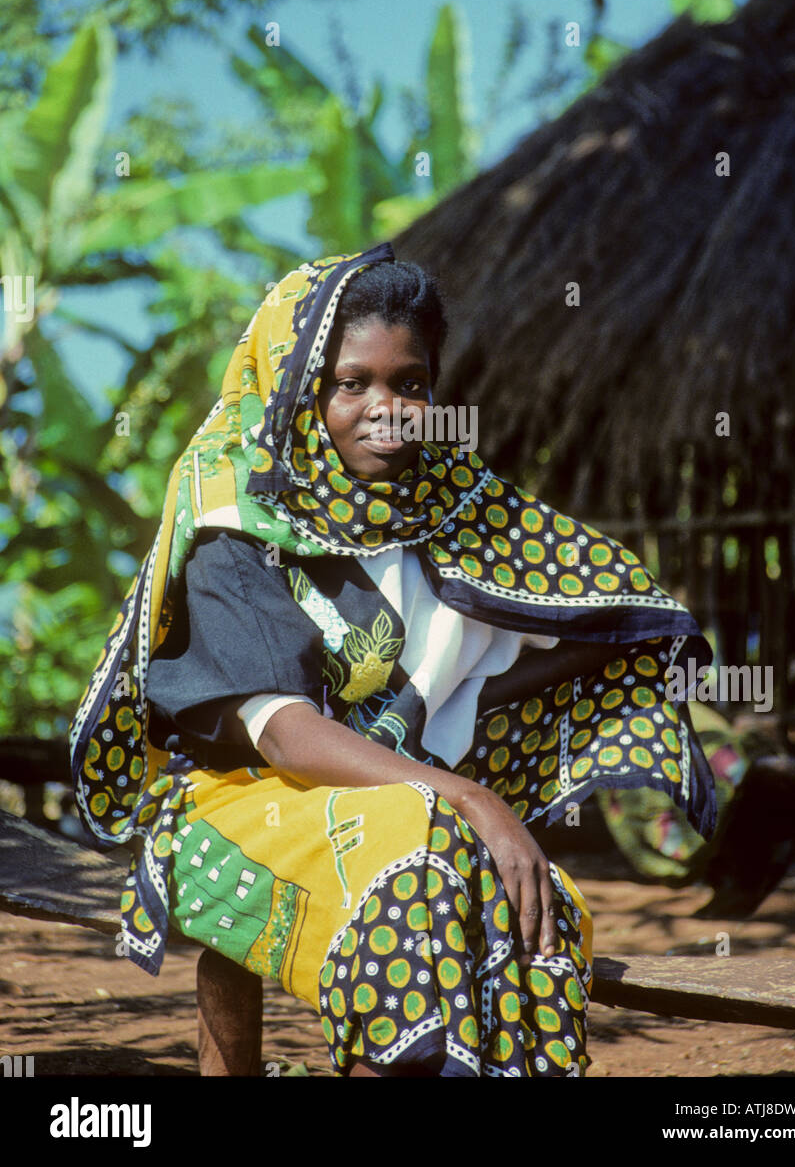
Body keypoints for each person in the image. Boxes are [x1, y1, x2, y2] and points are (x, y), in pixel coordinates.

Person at [69, 242, 717, 1078]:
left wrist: (475, 701)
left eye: (410, 383)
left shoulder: (450, 506)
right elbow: (286, 735)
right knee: (417, 859)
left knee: (537, 902)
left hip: (398, 799)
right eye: (352, 383)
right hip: (231, 812)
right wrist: (475, 799)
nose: (387, 408)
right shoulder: (237, 524)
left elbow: (602, 609)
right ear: (301, 388)